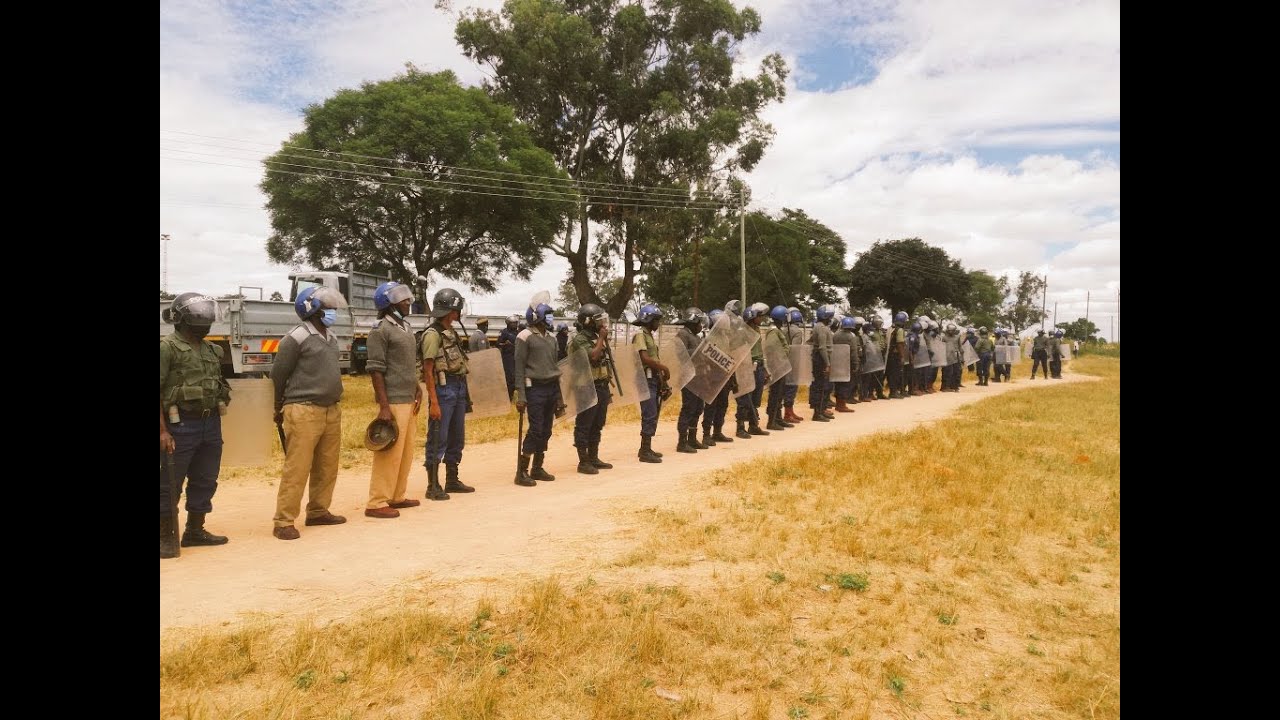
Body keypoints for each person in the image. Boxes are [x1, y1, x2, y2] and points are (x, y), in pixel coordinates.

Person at [269, 287, 348, 540]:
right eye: (327, 307)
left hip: (331, 409)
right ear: (311, 309)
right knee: (298, 467)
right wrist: (277, 405)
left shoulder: (331, 337)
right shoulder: (296, 337)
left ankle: (318, 511)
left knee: (327, 465)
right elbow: (278, 374)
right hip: (303, 409)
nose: (332, 311)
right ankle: (283, 520)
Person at [160, 292, 233, 558]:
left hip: (210, 423)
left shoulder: (212, 350)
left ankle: (194, 531)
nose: (204, 321)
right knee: (169, 482)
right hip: (179, 425)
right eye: (197, 315)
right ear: (181, 318)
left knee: (205, 479)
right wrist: (162, 431)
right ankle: (165, 537)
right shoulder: (166, 347)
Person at [364, 281, 423, 518]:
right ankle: (376, 502)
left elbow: (405, 365)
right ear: (388, 303)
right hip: (394, 401)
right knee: (389, 452)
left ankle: (397, 496)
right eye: (401, 298)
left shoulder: (405, 327)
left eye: (407, 297)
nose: (408, 301)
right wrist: (384, 406)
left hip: (409, 397)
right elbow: (376, 370)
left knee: (406, 451)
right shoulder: (381, 330)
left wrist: (417, 387)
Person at [420, 287, 476, 501]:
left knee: (456, 437)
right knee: (438, 437)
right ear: (451, 310)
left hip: (458, 388)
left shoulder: (450, 332)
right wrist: (433, 401)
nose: (458, 313)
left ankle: (452, 480)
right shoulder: (432, 335)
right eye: (456, 309)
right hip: (443, 389)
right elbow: (427, 369)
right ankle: (432, 484)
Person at [514, 293, 561, 486]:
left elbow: (554, 366)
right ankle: (522, 470)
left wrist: (558, 395)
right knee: (535, 429)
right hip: (534, 389)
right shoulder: (524, 336)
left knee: (546, 430)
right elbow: (519, 367)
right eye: (548, 314)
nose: (551, 317)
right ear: (537, 316)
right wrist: (521, 395)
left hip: (551, 388)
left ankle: (538, 467)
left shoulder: (552, 338)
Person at [571, 303, 615, 474]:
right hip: (586, 387)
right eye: (598, 320)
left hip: (601, 386)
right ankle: (583, 461)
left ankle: (594, 457)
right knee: (584, 424)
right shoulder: (580, 339)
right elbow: (594, 356)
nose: (602, 323)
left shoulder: (596, 337)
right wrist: (602, 338)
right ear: (588, 321)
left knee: (598, 423)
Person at [633, 303, 671, 462]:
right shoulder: (640, 335)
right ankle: (644, 451)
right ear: (648, 319)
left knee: (653, 413)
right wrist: (664, 368)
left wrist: (663, 382)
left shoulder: (649, 336)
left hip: (653, 378)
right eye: (656, 320)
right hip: (645, 379)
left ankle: (646, 447)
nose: (658, 323)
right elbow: (645, 358)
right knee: (649, 413)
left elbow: (654, 359)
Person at [674, 307, 708, 454]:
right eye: (699, 322)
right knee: (688, 408)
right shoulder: (682, 334)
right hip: (688, 377)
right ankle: (682, 442)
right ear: (693, 321)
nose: (701, 325)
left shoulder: (697, 337)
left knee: (698, 408)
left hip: (698, 377)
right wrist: (698, 351)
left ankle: (692, 439)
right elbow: (680, 354)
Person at [701, 309, 734, 447]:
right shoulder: (708, 336)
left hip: (724, 375)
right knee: (711, 405)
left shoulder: (726, 337)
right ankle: (706, 434)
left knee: (723, 404)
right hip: (712, 375)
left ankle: (718, 431)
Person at [764, 305, 793, 430]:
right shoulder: (773, 331)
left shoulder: (777, 330)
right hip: (776, 366)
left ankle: (778, 418)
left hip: (781, 365)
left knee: (780, 393)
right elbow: (770, 348)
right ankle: (771, 421)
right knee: (775, 394)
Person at [833, 315, 859, 412]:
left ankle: (838, 404)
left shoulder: (835, 334)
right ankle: (842, 405)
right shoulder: (851, 336)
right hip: (846, 363)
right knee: (845, 383)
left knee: (838, 383)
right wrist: (856, 364)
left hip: (836, 361)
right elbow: (853, 351)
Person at [885, 311, 909, 400]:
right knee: (895, 373)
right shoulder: (900, 330)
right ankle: (893, 392)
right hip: (895, 354)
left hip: (889, 354)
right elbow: (900, 344)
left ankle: (894, 391)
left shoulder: (889, 329)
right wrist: (902, 356)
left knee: (891, 373)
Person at [497, 314, 521, 398]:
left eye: (515, 323)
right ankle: (508, 397)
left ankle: (515, 396)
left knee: (516, 378)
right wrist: (505, 344)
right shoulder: (504, 332)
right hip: (507, 358)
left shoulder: (518, 333)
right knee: (509, 378)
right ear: (508, 323)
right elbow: (498, 344)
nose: (515, 324)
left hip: (516, 358)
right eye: (513, 323)